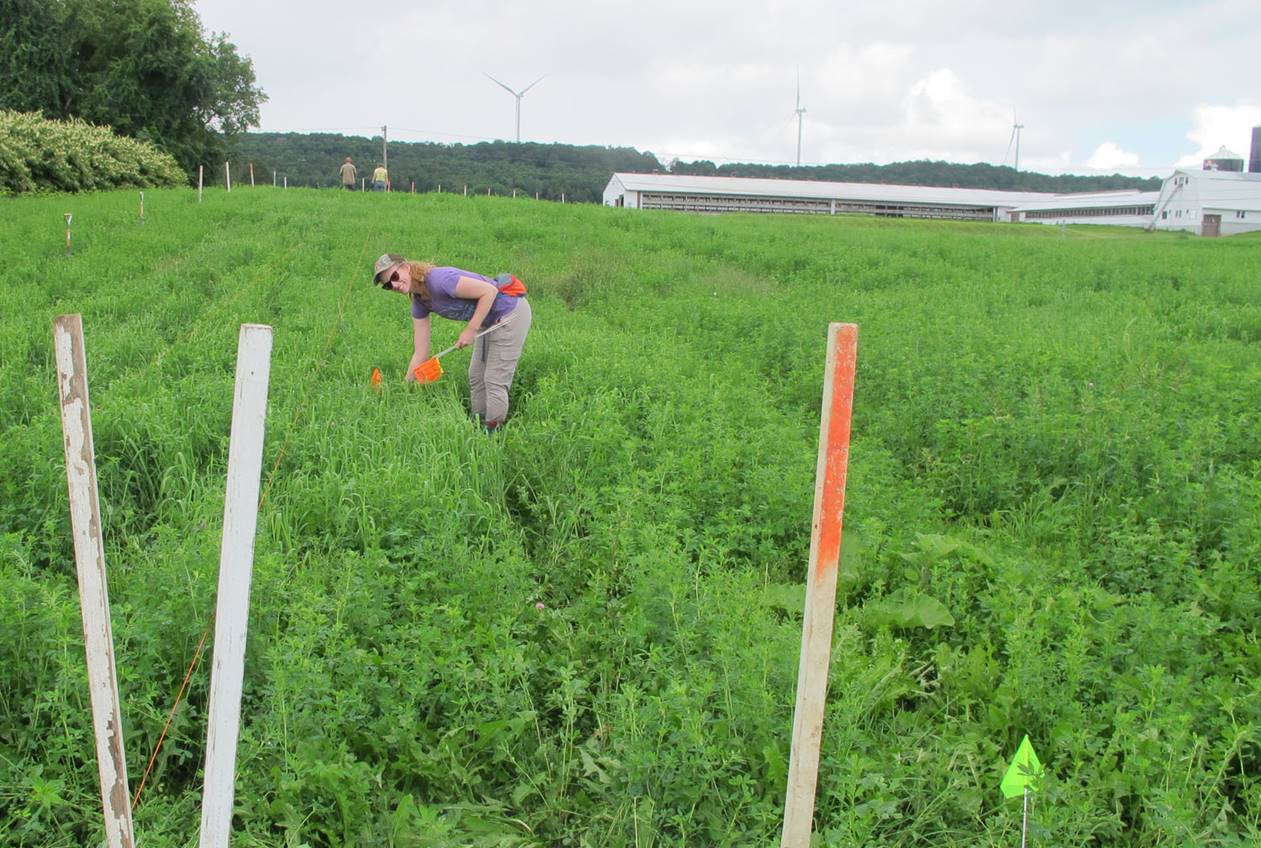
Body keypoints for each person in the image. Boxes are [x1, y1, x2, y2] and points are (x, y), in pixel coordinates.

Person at [372, 254, 532, 432]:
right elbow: (420, 353)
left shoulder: (440, 280)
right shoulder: (419, 302)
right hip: (487, 320)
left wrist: (471, 329)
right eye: (388, 285)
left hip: (510, 313)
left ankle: (492, 433)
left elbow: (489, 291)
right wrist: (405, 387)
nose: (394, 285)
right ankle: (477, 425)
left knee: (494, 379)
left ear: (405, 267)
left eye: (394, 277)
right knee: (476, 375)